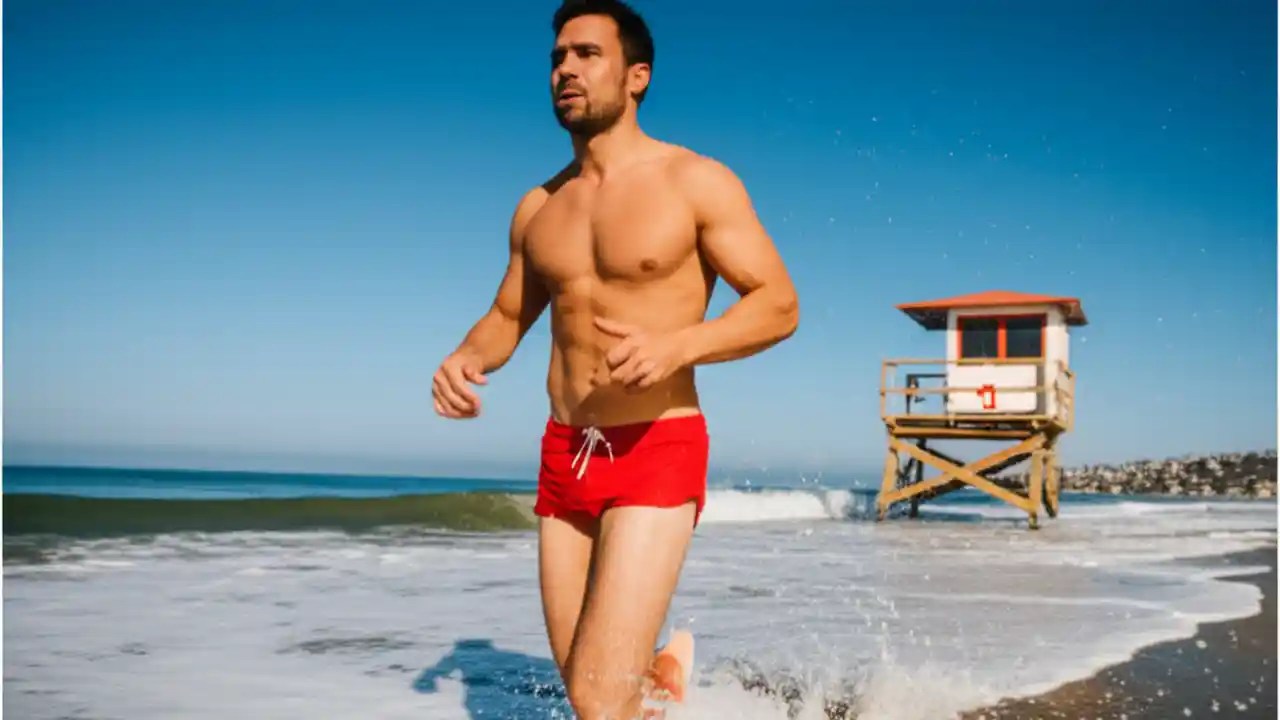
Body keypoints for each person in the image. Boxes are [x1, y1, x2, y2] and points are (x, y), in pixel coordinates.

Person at [431, 0, 799, 717]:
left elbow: (779, 304)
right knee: (592, 695)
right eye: (557, 58)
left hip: (656, 445)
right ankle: (663, 676)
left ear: (637, 76)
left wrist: (679, 344)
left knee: (598, 700)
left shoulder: (694, 181)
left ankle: (651, 681)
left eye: (586, 54)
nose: (565, 69)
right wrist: (462, 359)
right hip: (566, 454)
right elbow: (507, 318)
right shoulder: (539, 207)